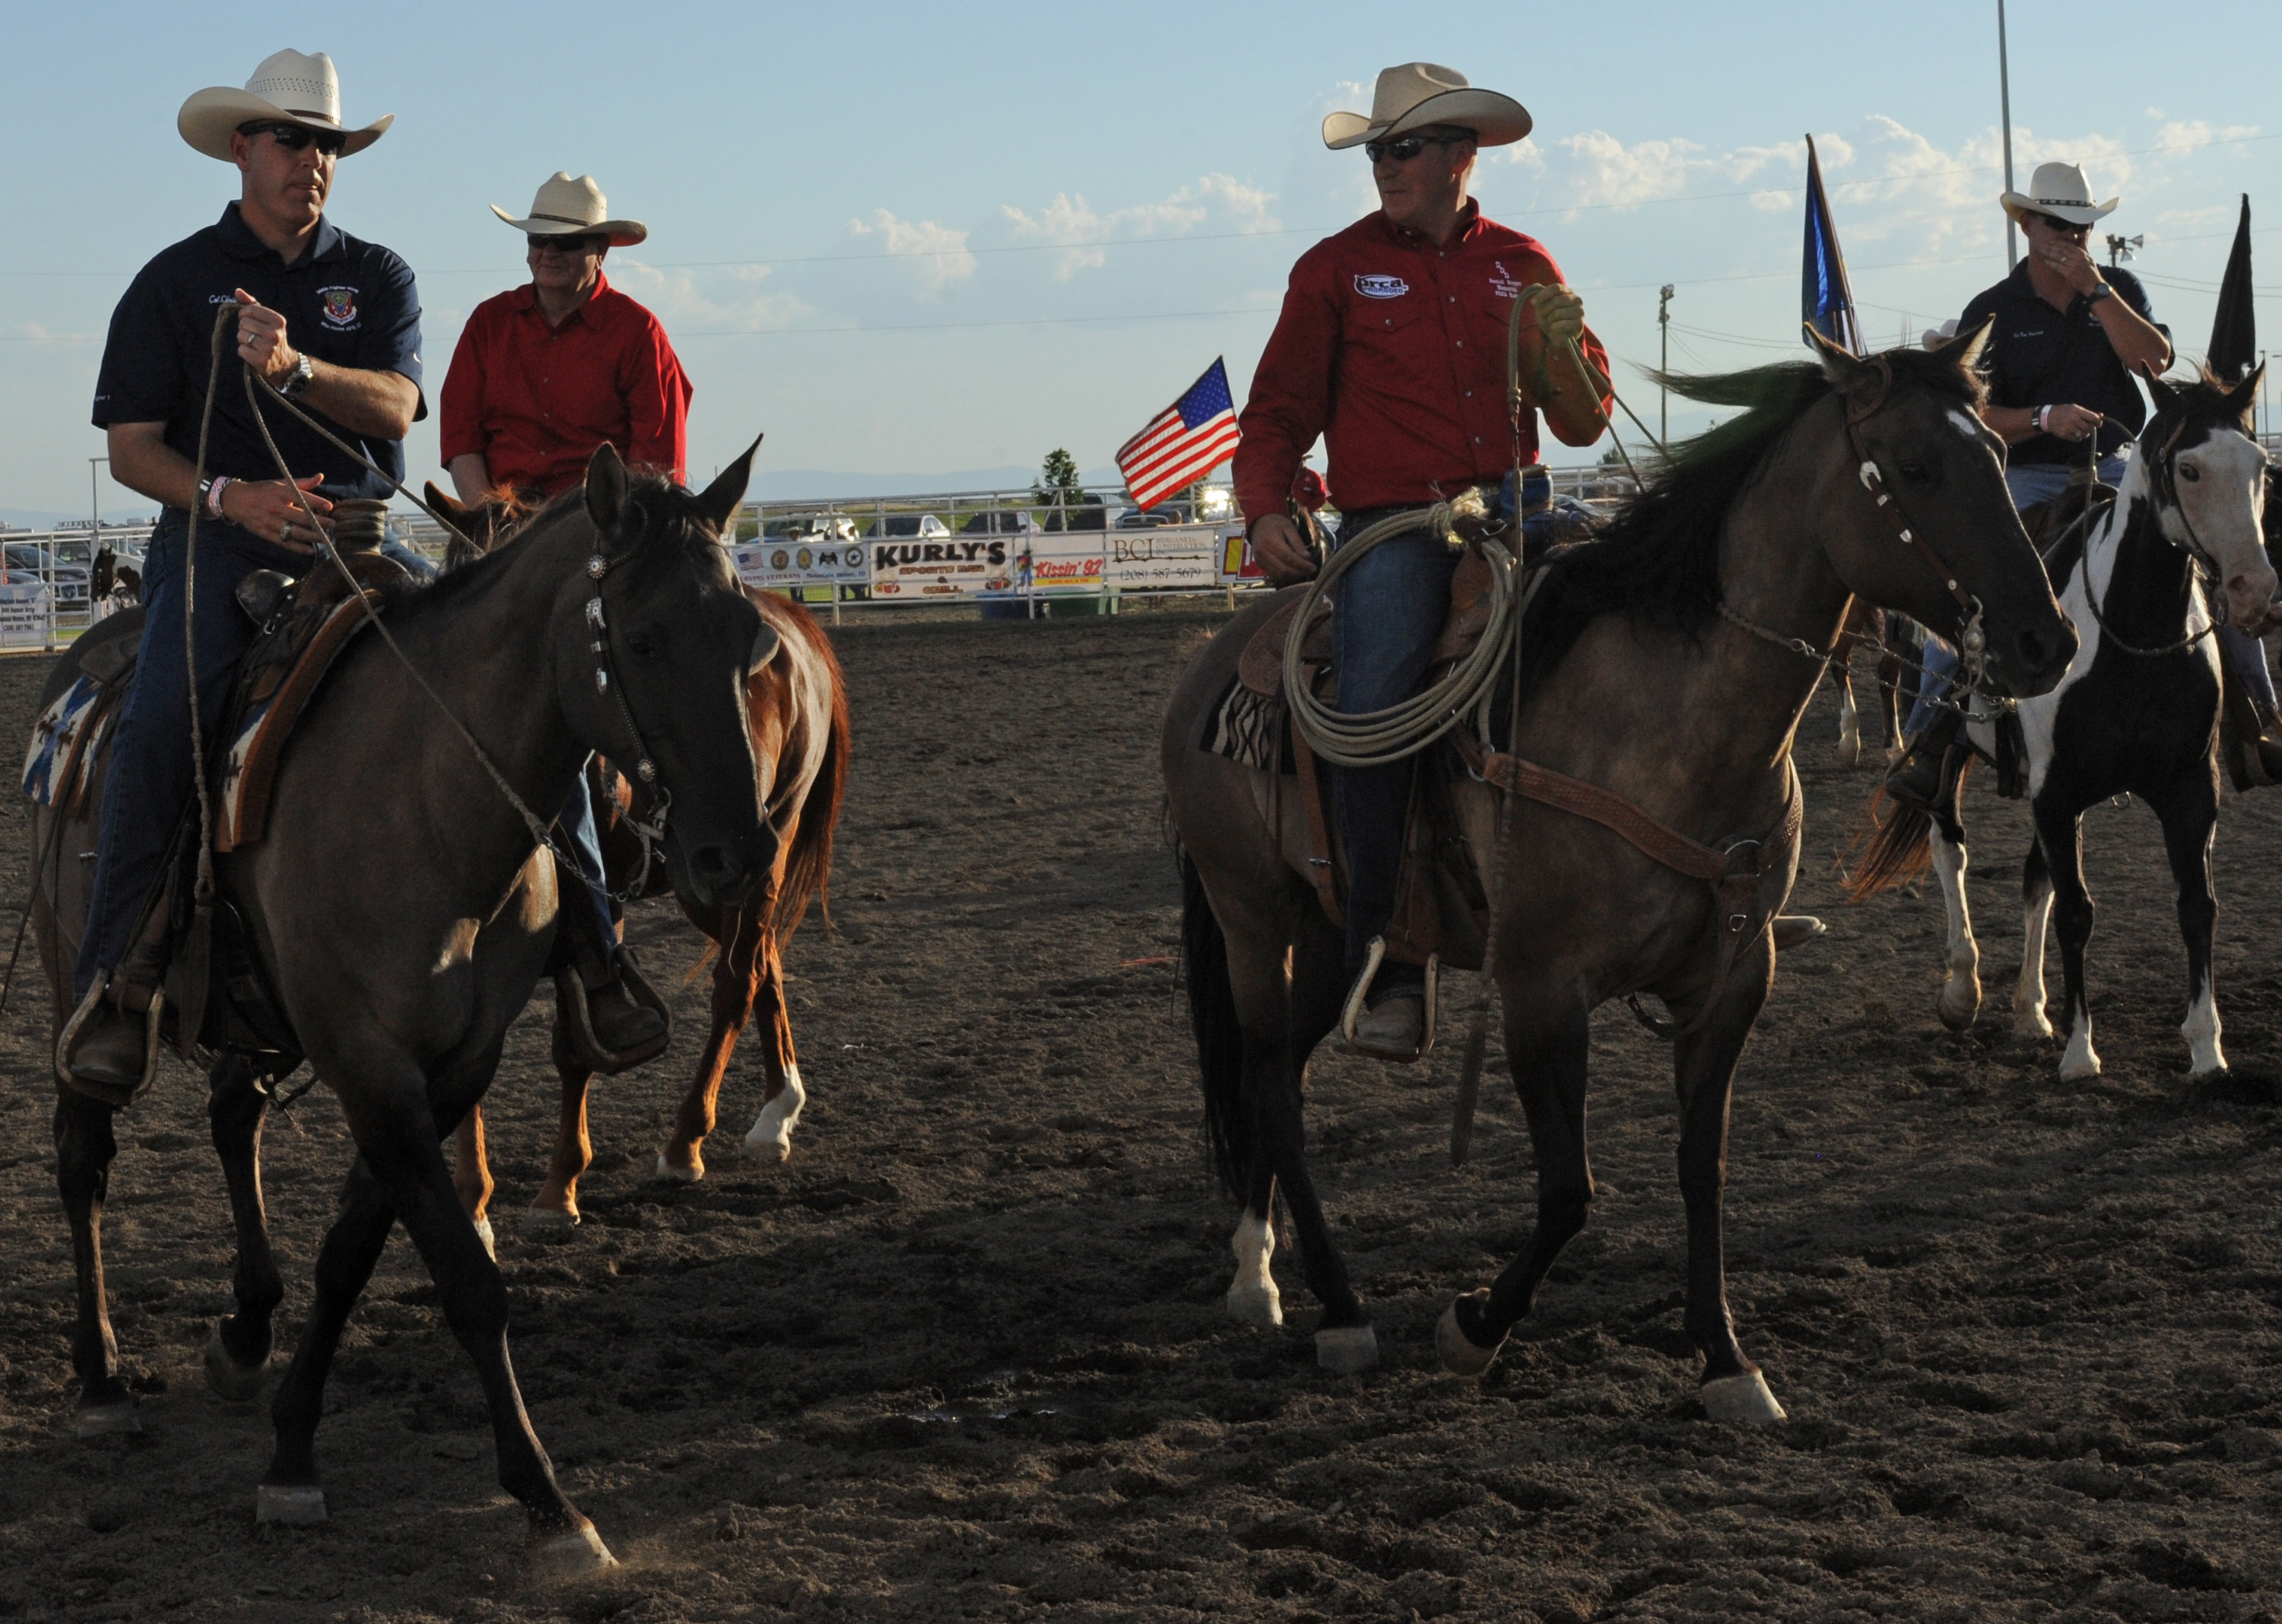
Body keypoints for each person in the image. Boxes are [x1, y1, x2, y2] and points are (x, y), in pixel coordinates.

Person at [1234, 63, 1612, 1060]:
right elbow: (1277, 411)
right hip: (1396, 526)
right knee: (1370, 710)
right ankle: (1386, 961)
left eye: (1400, 149)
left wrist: (1567, 362)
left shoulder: (1523, 264)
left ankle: (1691, 877)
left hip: (1522, 506)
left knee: (1651, 624)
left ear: (1457, 155)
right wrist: (1266, 503)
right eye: (1376, 151)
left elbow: (1580, 424)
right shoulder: (1333, 269)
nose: (1383, 167)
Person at [68, 50, 424, 1093]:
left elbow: (400, 409)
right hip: (219, 540)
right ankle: (115, 981)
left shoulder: (379, 275)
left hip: (358, 537)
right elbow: (134, 448)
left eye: (331, 145)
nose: (315, 161)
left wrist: (297, 369)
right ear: (243, 147)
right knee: (161, 723)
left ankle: (587, 938)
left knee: (499, 662)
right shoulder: (173, 282)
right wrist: (230, 496)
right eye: (294, 139)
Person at [1888, 162, 2281, 804]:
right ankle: (1927, 742)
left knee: (2215, 556)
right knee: (1970, 592)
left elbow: (2154, 364)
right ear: (2025, 224)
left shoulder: (2116, 287)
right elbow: (1969, 415)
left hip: (2117, 465)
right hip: (2025, 474)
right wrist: (2043, 416)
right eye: (2058, 223)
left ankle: (2259, 723)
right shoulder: (1991, 309)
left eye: (2083, 225)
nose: (2072, 236)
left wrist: (2097, 291)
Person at [439, 173, 694, 1061]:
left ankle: (598, 944)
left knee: (574, 736)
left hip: (593, 545)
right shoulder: (488, 322)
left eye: (565, 243)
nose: (547, 255)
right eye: (538, 241)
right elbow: (460, 439)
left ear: (600, 252)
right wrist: (490, 519)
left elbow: (656, 468)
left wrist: (574, 532)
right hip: (497, 531)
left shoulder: (637, 334)